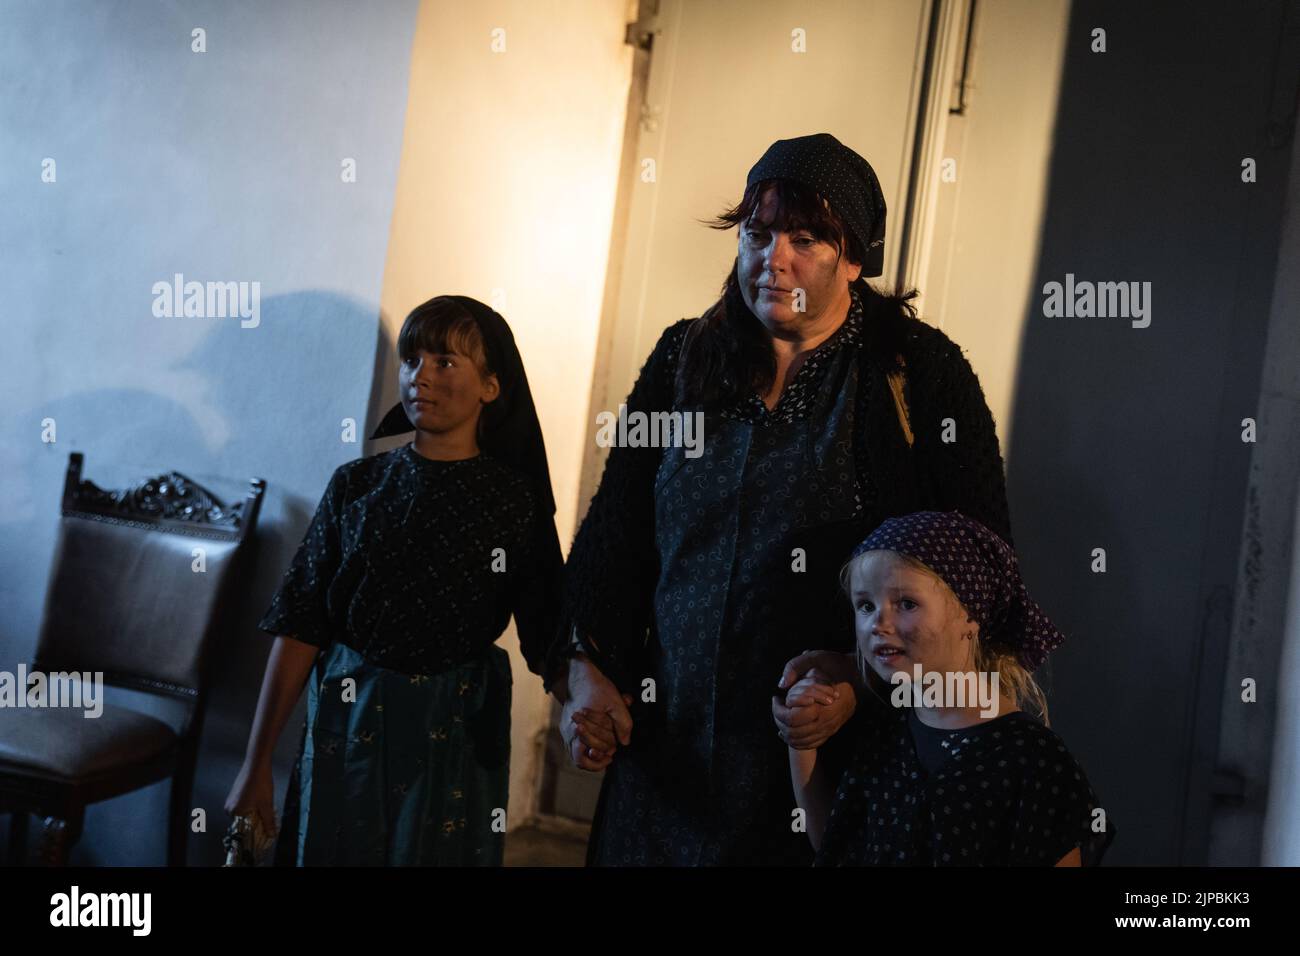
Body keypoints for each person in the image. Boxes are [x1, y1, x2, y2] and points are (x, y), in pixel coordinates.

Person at [548, 133, 1016, 865]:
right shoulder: (681, 360)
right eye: (757, 234)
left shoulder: (918, 375)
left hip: (827, 771)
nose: (775, 259)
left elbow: (982, 570)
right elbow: (616, 534)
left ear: (856, 258)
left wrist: (864, 679)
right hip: (664, 768)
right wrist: (587, 673)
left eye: (807, 239)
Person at [224, 295, 563, 865]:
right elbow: (301, 625)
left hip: (453, 730)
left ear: (491, 386)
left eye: (445, 363)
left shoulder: (513, 502)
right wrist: (255, 765)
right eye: (412, 360)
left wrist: (591, 707)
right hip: (347, 718)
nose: (420, 378)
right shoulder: (356, 486)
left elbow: (549, 630)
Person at [783, 510, 1114, 866]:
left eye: (906, 604)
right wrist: (803, 744)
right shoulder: (885, 732)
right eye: (865, 605)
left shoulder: (1032, 759)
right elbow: (838, 846)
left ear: (971, 616)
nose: (878, 624)